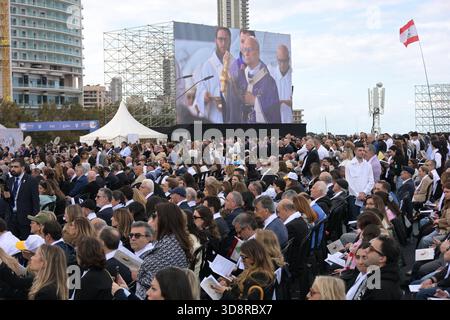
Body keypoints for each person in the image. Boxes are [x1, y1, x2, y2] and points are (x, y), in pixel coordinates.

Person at [136, 202, 192, 300]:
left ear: (164, 221)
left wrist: (136, 274)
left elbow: (150, 280)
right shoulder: (171, 241)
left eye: (154, 216)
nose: (150, 220)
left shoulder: (168, 248)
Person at [228, 36, 281, 123]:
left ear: (258, 52)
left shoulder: (269, 82)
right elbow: (232, 114)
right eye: (245, 50)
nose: (246, 53)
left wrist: (255, 101)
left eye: (250, 49)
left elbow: (274, 114)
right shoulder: (237, 80)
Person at [194, 27, 233, 123]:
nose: (223, 43)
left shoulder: (235, 64)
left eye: (226, 39)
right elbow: (200, 91)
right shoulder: (207, 65)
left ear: (230, 41)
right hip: (215, 118)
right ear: (216, 40)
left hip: (232, 118)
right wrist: (205, 96)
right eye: (220, 39)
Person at [4, 158, 40, 239]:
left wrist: (35, 219)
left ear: (23, 168)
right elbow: (9, 201)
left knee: (25, 245)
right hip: (11, 218)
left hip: (25, 219)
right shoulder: (10, 180)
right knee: (13, 245)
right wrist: (6, 197)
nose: (12, 169)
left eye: (16, 167)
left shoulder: (31, 180)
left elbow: (35, 202)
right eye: (11, 167)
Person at [361, 235, 402, 300]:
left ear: (382, 258)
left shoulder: (381, 289)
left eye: (371, 249)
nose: (366, 250)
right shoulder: (380, 277)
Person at [346, 142, 375, 220]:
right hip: (354, 198)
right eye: (360, 150)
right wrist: (357, 194)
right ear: (355, 151)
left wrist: (364, 193)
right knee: (355, 219)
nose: (362, 152)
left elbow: (371, 181)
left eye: (363, 150)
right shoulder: (349, 165)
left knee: (367, 219)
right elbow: (348, 182)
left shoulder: (368, 165)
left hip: (366, 197)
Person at [267, 45, 293, 123]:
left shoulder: (293, 75)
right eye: (280, 61)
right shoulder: (270, 74)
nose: (282, 64)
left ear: (288, 59)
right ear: (277, 59)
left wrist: (286, 102)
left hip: (290, 122)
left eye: (284, 61)